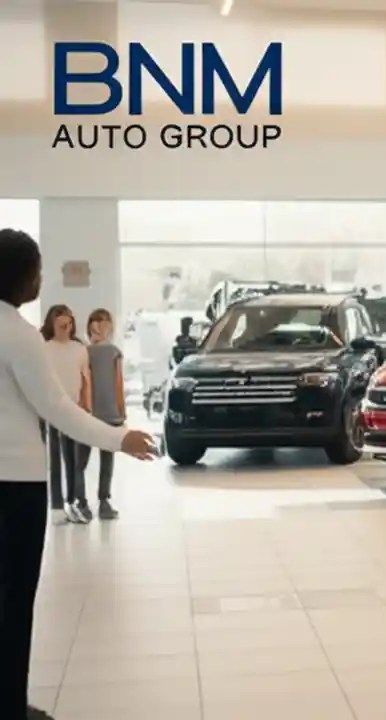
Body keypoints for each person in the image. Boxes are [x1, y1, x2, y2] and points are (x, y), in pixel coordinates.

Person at [0, 228, 156, 720]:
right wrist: (119, 437)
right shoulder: (19, 333)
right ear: (21, 274)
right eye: (38, 269)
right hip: (16, 485)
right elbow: (56, 407)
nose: (41, 279)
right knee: (14, 600)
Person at [41, 305, 92, 525]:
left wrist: (86, 405)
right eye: (61, 324)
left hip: (74, 408)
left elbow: (86, 379)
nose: (65, 328)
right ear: (52, 325)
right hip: (51, 409)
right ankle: (56, 505)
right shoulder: (44, 348)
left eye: (69, 324)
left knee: (73, 458)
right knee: (54, 458)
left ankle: (73, 501)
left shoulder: (79, 349)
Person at [85, 309, 125, 520]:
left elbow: (118, 383)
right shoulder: (89, 352)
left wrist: (121, 411)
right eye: (98, 322)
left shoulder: (106, 352)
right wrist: (121, 411)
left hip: (99, 412)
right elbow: (118, 384)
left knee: (92, 460)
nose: (101, 326)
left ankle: (92, 501)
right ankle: (96, 501)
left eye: (104, 322)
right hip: (97, 412)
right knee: (99, 460)